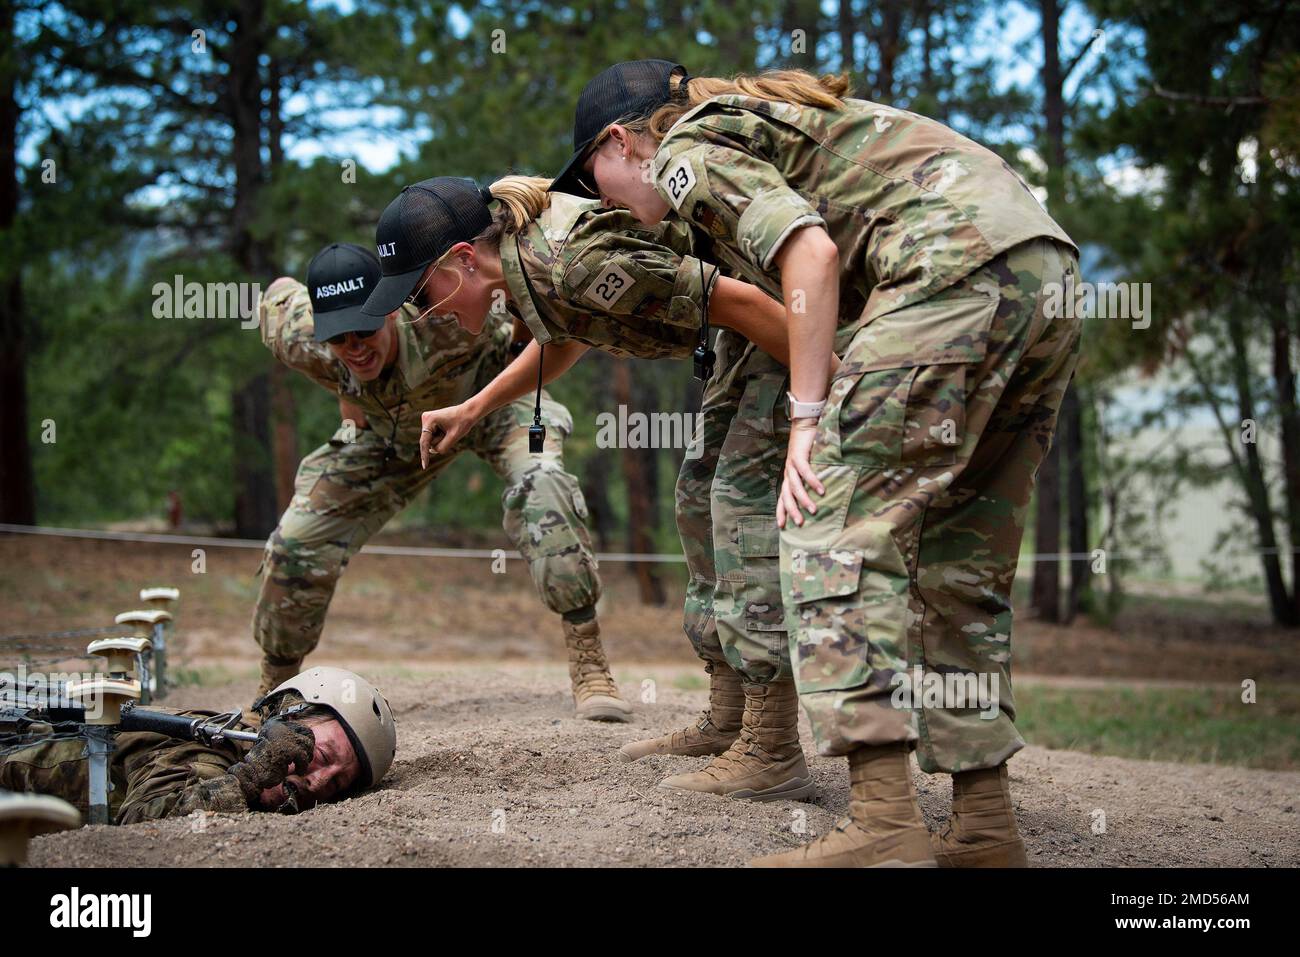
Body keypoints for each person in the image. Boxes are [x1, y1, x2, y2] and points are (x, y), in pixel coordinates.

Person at [561, 59, 1082, 866]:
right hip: (1044, 271)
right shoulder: (770, 125)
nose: (599, 199)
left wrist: (808, 420)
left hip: (947, 264)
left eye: (593, 176)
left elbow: (809, 254)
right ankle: (984, 826)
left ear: (621, 141)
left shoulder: (687, 146)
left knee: (824, 521)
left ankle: (882, 825)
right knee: (957, 564)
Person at [398, 176, 818, 801]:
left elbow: (748, 306)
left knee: (739, 506)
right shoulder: (534, 267)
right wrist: (474, 407)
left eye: (419, 291)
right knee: (700, 499)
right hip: (750, 331)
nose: (420, 311)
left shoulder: (568, 260)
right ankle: (732, 718)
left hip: (786, 316)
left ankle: (774, 747)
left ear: (462, 261)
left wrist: (842, 397)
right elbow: (570, 335)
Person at [254, 241, 630, 722]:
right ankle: (275, 685)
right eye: (339, 337)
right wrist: (347, 399)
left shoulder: (443, 313)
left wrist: (516, 344)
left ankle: (589, 660)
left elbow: (523, 285)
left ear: (390, 311)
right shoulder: (299, 336)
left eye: (364, 330)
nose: (353, 347)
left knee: (543, 481)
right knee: (294, 543)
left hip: (492, 406)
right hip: (394, 435)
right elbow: (278, 295)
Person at [0, 667, 395, 824]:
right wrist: (248, 778)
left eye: (337, 785)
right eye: (319, 756)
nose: (319, 782)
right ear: (286, 717)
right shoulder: (211, 750)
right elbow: (144, 822)